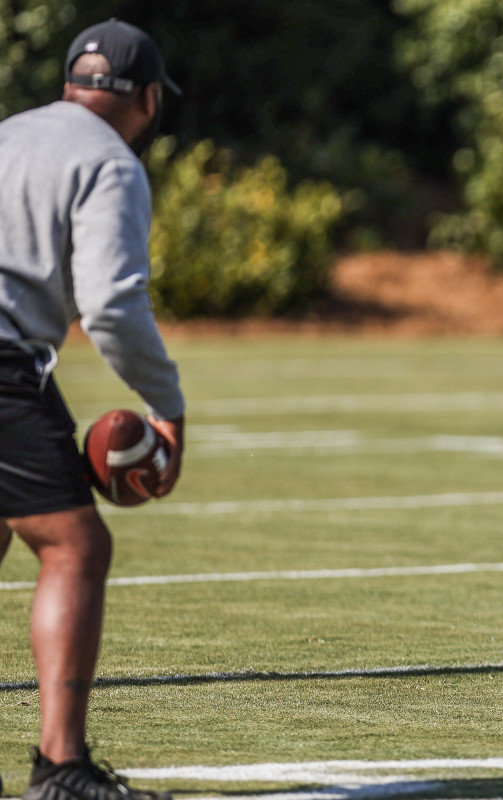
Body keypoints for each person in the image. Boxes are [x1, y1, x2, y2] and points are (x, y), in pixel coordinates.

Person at [0, 18, 185, 800]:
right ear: (146, 98)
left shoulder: (9, 132)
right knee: (76, 548)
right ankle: (61, 767)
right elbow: (110, 305)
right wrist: (165, 404)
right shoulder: (110, 161)